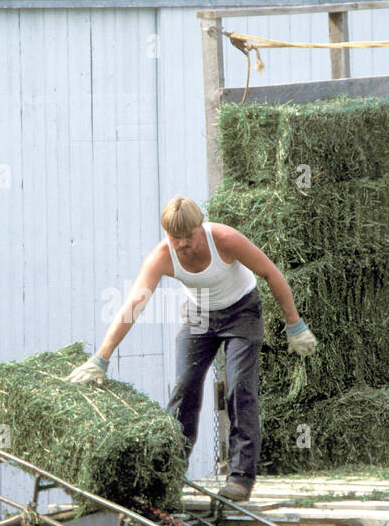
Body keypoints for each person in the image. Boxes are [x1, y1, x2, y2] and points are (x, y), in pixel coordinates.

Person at [67, 195, 317, 504]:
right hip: (198, 316)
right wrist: (101, 358)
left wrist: (295, 324)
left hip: (241, 311)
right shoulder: (161, 257)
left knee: (239, 387)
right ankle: (168, 473)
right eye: (176, 238)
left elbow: (271, 273)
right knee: (184, 387)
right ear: (166, 234)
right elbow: (134, 305)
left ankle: (240, 477)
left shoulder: (224, 239)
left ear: (201, 227)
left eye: (190, 236)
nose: (184, 244)